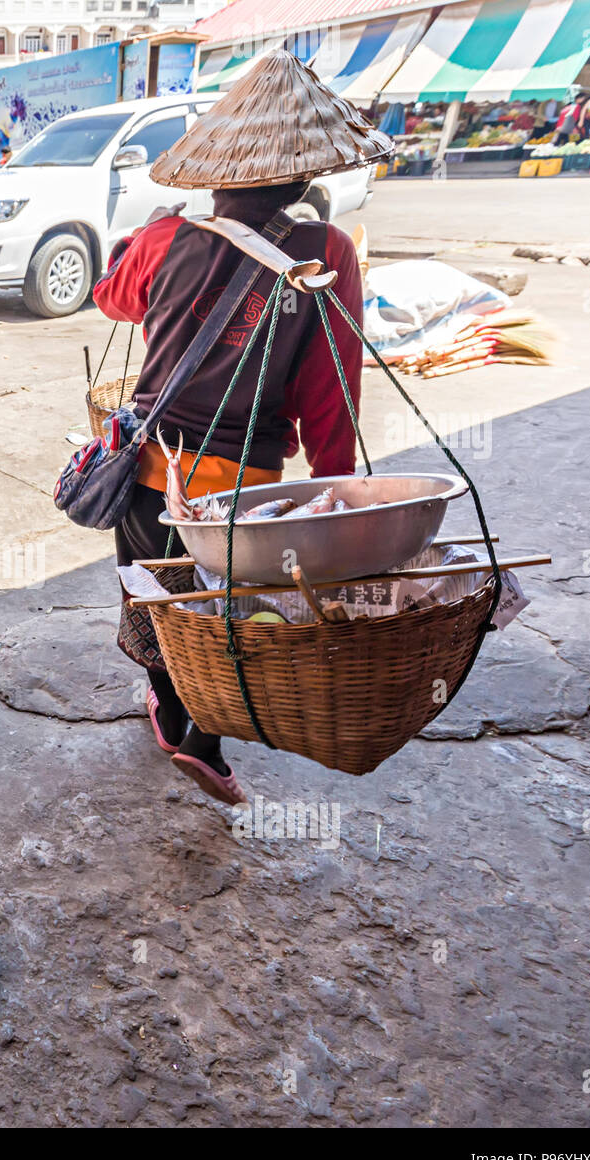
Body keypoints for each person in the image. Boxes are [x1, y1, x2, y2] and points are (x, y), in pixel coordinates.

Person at [92, 49, 391, 806]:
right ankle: (207, 737)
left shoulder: (166, 240)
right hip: (247, 496)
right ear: (303, 182)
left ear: (215, 177)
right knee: (227, 613)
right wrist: (334, 490)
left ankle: (170, 708)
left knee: (157, 599)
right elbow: (332, 391)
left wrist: (136, 252)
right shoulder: (325, 255)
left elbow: (112, 299)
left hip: (151, 476)